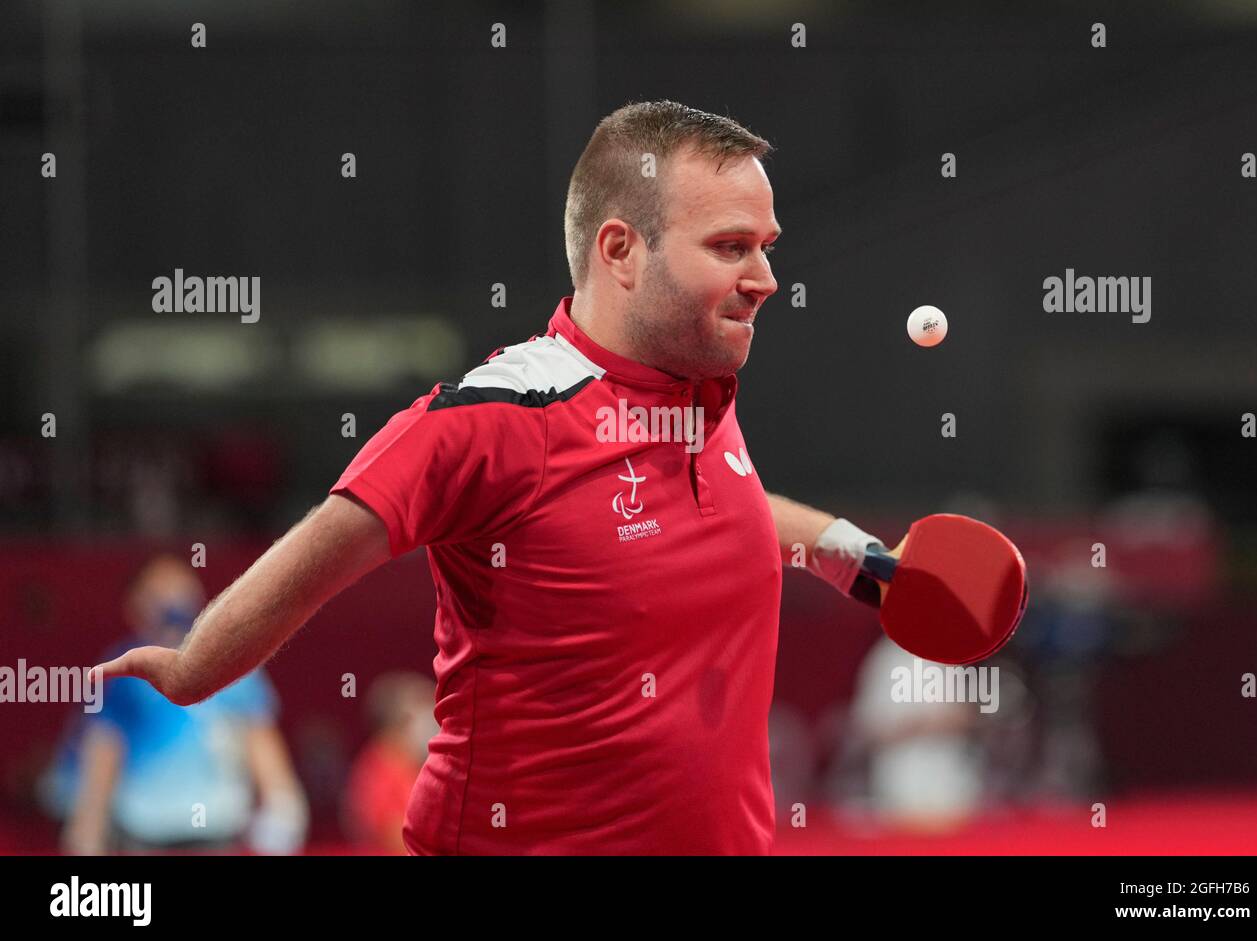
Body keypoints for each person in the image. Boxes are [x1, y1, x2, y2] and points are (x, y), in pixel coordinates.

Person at [97, 101, 890, 855]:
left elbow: (733, 508)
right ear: (619, 250)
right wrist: (194, 667)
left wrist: (860, 559)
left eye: (766, 246)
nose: (765, 278)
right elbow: (327, 542)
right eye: (730, 247)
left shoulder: (696, 393)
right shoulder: (503, 415)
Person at [56, 554, 307, 854]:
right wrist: (88, 822)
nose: (173, 596)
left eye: (180, 586)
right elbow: (105, 745)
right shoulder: (122, 668)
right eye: (160, 588)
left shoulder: (231, 658)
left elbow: (256, 733)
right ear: (134, 606)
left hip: (216, 831)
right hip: (144, 833)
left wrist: (283, 800)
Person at [342, 672, 439, 854]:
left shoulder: (411, 767)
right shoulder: (379, 772)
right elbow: (400, 839)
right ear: (402, 722)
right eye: (427, 711)